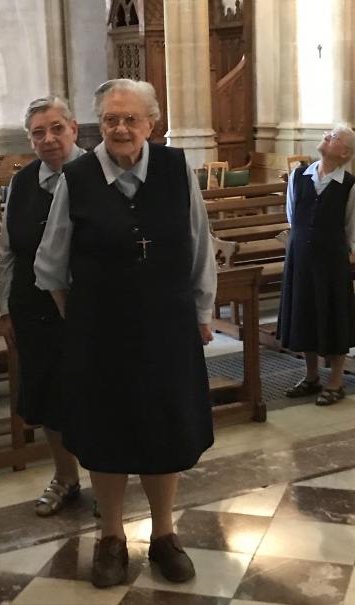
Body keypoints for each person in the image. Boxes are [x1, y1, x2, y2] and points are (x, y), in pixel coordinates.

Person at [34, 79, 216, 588]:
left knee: (164, 429)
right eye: (111, 119)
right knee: (107, 432)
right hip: (99, 337)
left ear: (150, 124)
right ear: (99, 124)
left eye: (130, 119)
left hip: (168, 329)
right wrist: (84, 318)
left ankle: (163, 535)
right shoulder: (77, 176)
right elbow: (49, 266)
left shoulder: (178, 171)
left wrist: (202, 312)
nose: (119, 128)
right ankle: (111, 538)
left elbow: (200, 249)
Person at [0, 96, 85, 517]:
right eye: (38, 133)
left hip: (89, 305)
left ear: (74, 129)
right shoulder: (23, 183)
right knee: (48, 393)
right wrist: (6, 307)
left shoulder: (99, 173)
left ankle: (109, 475)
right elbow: (10, 250)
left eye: (56, 128)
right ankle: (65, 477)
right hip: (33, 305)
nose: (48, 139)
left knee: (97, 390)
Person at [278, 124, 355, 406]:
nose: (327, 136)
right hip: (301, 255)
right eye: (329, 133)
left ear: (345, 152)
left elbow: (349, 228)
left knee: (333, 315)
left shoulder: (350, 186)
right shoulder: (299, 176)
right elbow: (292, 214)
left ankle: (336, 382)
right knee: (305, 313)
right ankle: (311, 376)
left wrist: (337, 253)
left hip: (331, 258)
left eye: (334, 136)